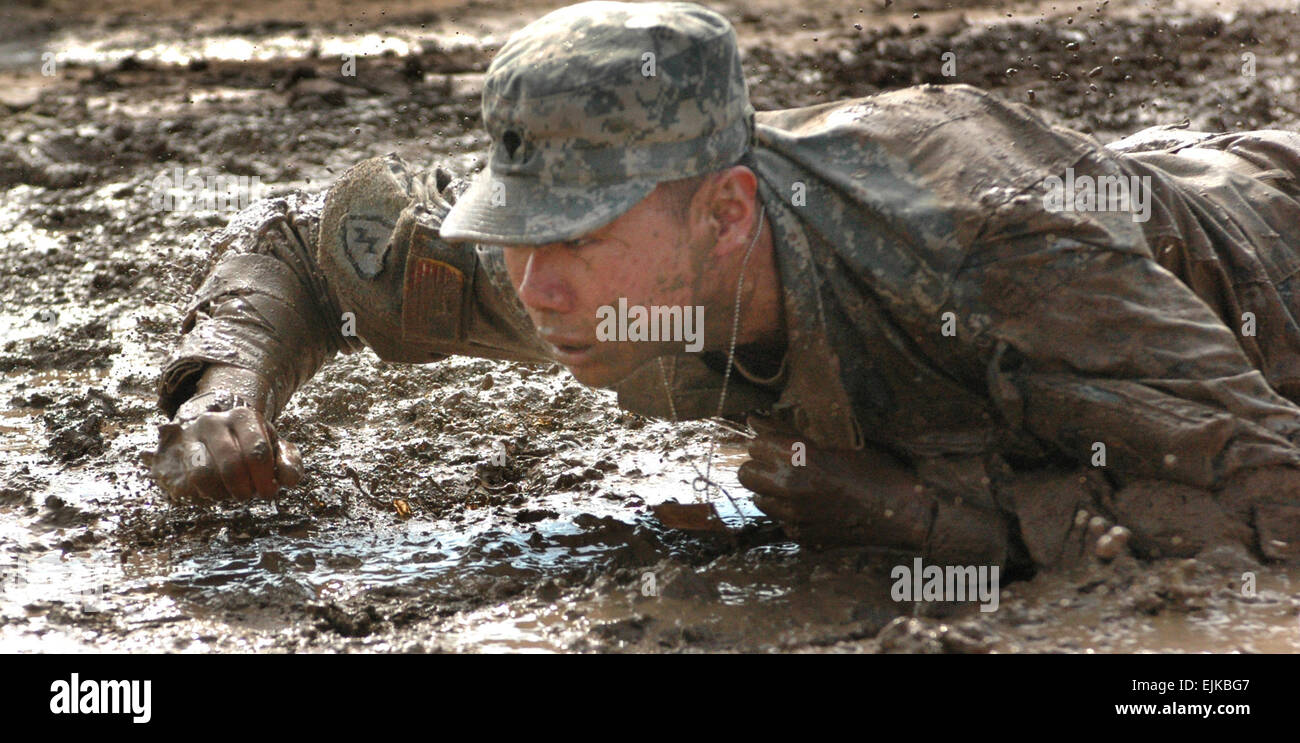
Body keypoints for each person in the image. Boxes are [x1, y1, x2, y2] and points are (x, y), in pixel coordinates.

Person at [150, 1, 1300, 572]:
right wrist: (220, 386)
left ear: (726, 214)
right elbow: (305, 242)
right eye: (513, 235)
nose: (535, 286)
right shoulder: (573, 261)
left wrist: (930, 522)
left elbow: (1276, 501)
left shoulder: (999, 256)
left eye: (576, 238)